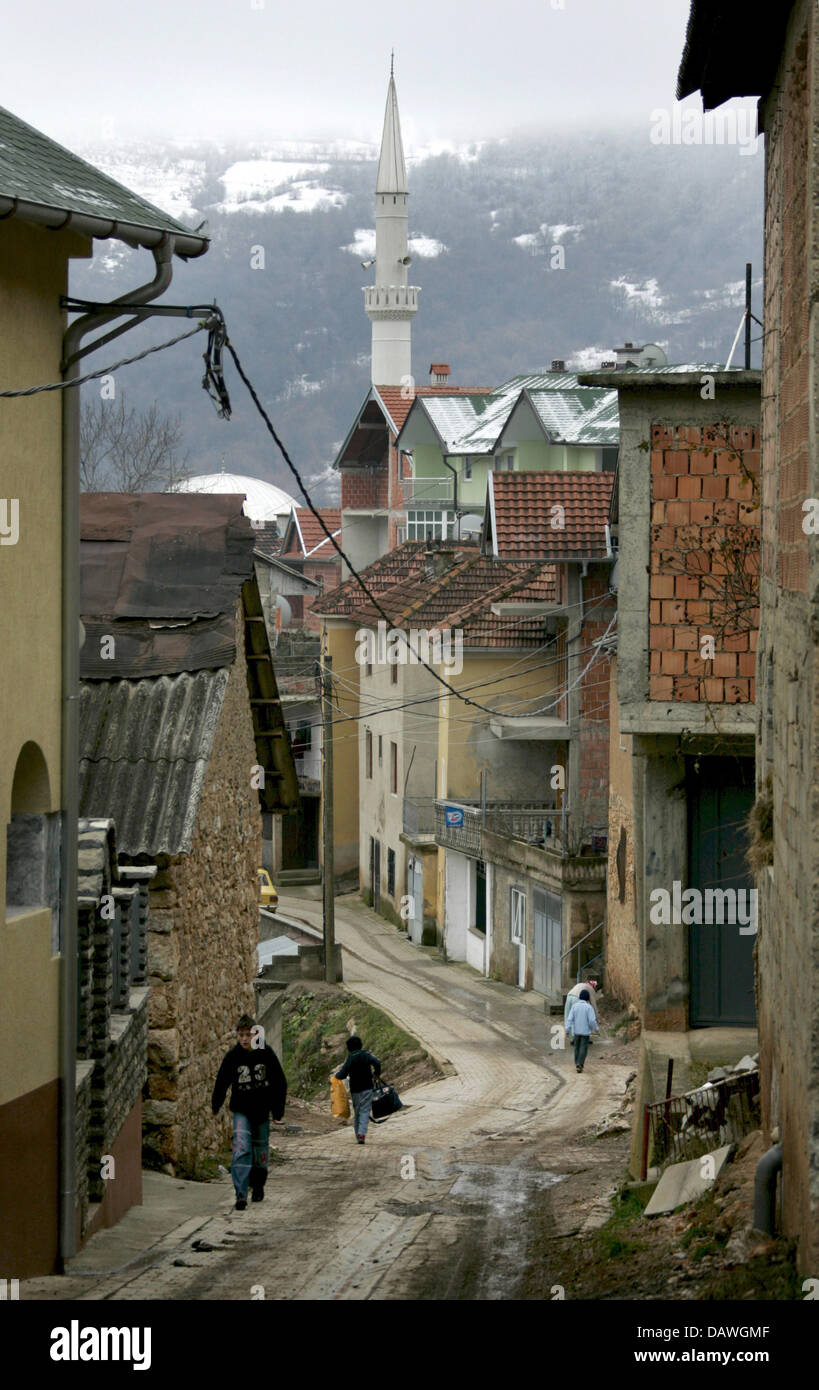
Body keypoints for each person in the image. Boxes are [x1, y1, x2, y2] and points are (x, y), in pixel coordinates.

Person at [212, 1013, 287, 1210]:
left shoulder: (266, 1054)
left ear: (255, 1034)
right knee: (241, 1148)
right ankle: (241, 1193)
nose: (244, 1039)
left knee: (260, 1153)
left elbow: (280, 1082)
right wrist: (216, 1103)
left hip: (262, 1111)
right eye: (241, 1035)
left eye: (248, 1034)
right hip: (241, 1110)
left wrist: (278, 1111)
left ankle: (258, 1184)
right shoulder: (233, 1057)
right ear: (237, 1036)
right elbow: (222, 1082)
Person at [333, 1035, 381, 1144]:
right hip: (367, 1088)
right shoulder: (366, 1055)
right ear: (360, 1045)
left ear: (349, 1047)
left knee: (358, 1112)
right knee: (365, 1111)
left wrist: (335, 1078)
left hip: (355, 1091)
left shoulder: (350, 1058)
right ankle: (361, 1134)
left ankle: (358, 1135)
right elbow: (377, 1063)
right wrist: (376, 1074)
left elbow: (343, 1074)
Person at [566, 988, 598, 1073]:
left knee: (576, 1047)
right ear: (587, 998)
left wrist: (567, 1030)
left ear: (580, 997)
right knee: (583, 1048)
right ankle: (580, 1064)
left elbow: (570, 1019)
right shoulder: (589, 1007)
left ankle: (577, 1063)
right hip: (585, 1032)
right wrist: (596, 1029)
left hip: (576, 1031)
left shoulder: (574, 1006)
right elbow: (592, 1020)